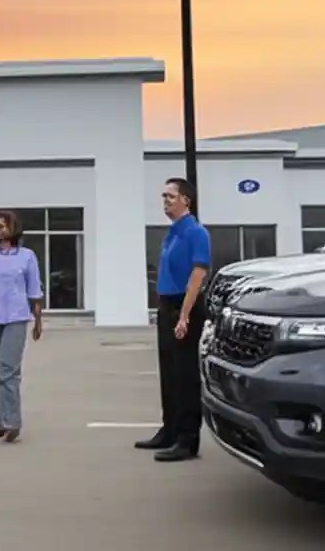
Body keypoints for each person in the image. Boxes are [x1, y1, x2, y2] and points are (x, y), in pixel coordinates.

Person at [135, 177, 211, 462]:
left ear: (185, 200)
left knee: (185, 375)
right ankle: (169, 430)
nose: (165, 201)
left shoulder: (196, 232)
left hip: (185, 306)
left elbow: (198, 275)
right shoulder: (172, 233)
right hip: (166, 306)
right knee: (168, 372)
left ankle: (187, 439)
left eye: (170, 196)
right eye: (163, 196)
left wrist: (185, 315)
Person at [0, 210, 44, 443]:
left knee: (7, 370)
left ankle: (13, 421)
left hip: (16, 317)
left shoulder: (27, 256)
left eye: (2, 225)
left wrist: (38, 320)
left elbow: (34, 290)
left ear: (13, 228)